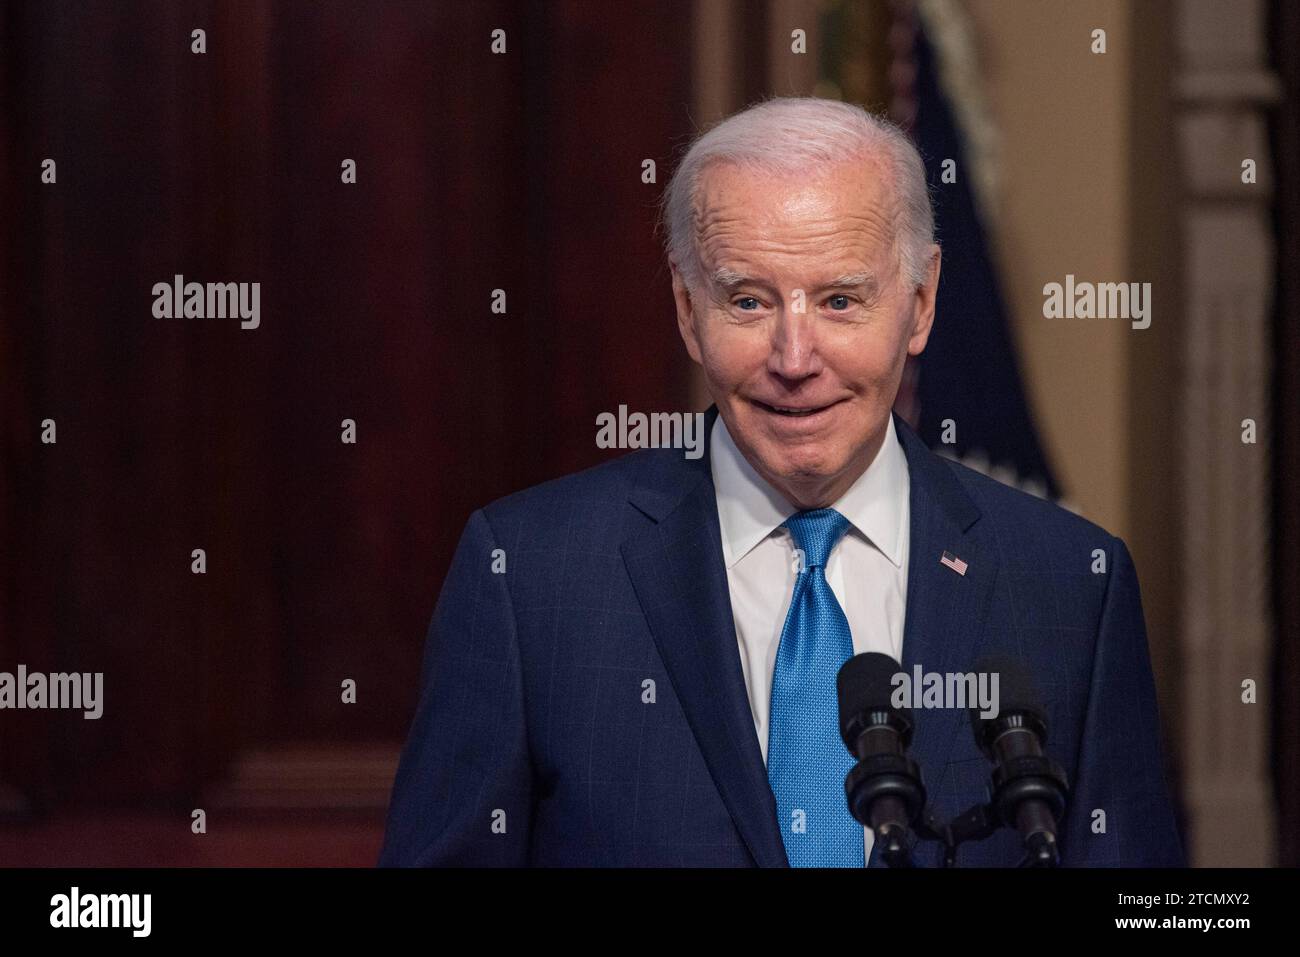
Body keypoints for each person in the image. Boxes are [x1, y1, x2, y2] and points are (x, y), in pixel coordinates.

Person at [379, 96, 1185, 867]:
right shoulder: (529, 580)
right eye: (748, 300)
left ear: (922, 302)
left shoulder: (1070, 588)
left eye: (840, 300)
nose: (795, 360)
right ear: (688, 311)